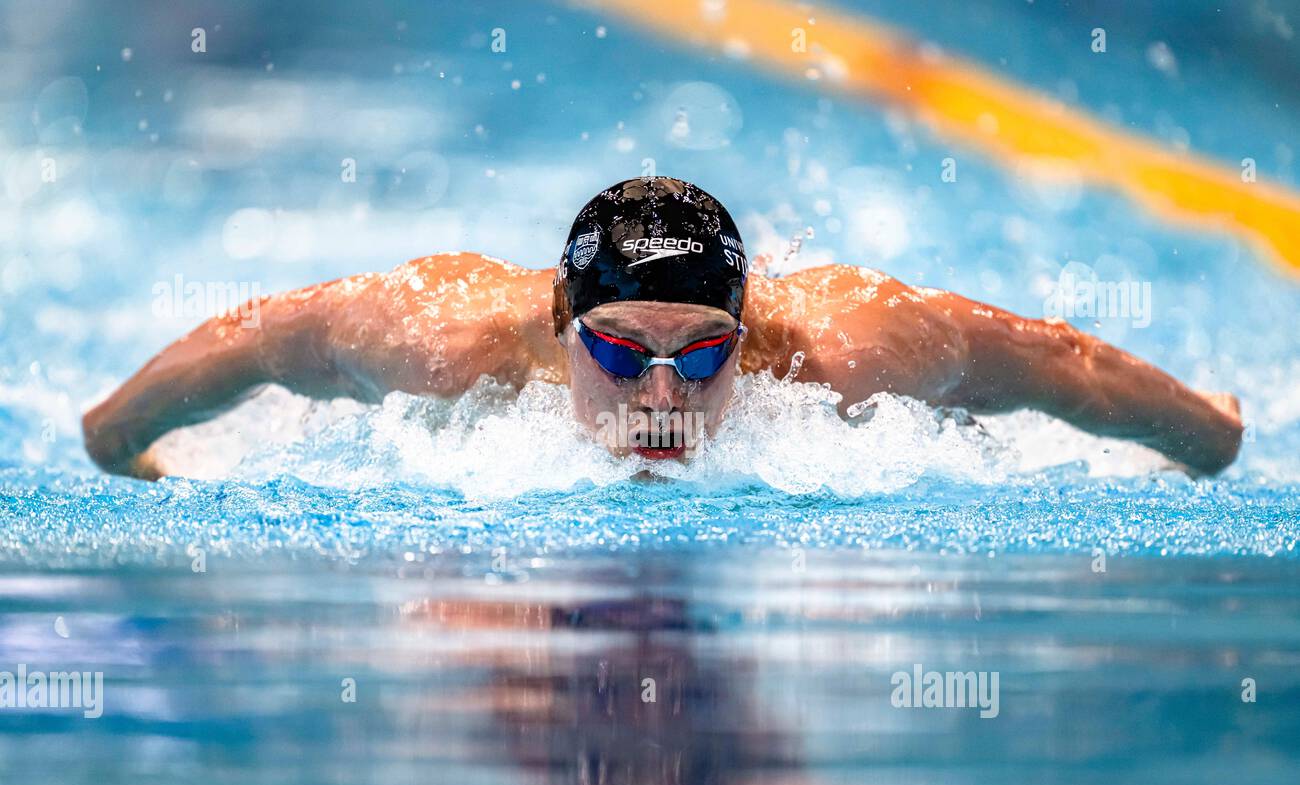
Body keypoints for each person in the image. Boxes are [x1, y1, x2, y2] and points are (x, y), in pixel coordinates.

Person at [82, 176, 1243, 478]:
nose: (663, 395)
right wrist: (112, 437)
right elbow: (257, 336)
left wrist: (1210, 441)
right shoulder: (440, 347)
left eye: (702, 353)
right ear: (559, 316)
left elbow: (1057, 363)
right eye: (618, 349)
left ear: (749, 332)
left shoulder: (847, 353)